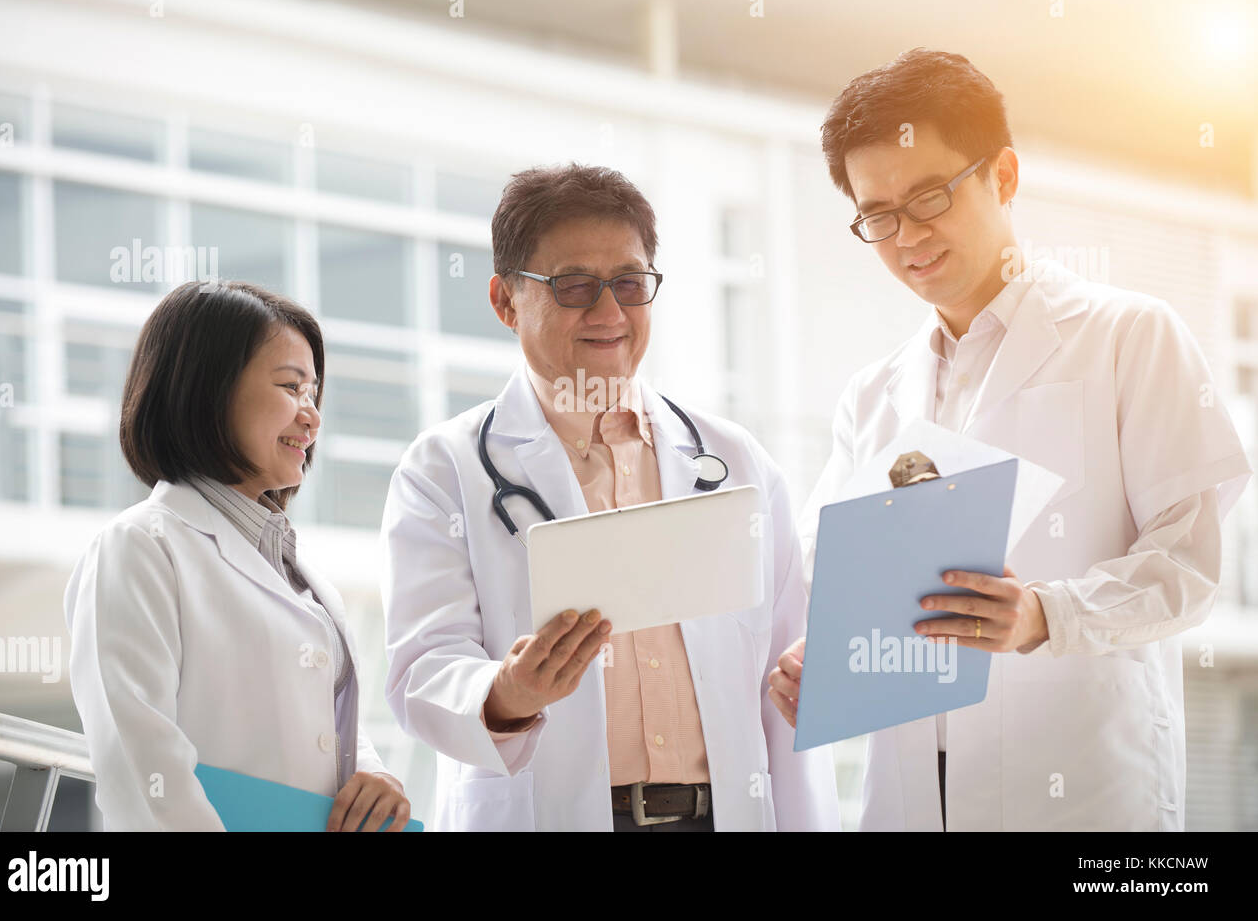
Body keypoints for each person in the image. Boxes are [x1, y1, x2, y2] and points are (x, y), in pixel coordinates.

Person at [769, 49, 1252, 831]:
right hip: (909, 801)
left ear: (1004, 176)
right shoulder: (873, 394)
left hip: (1084, 793)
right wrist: (819, 658)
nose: (907, 237)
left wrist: (1043, 615)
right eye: (879, 216)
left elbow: (1187, 567)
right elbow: (834, 574)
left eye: (929, 196)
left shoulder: (1128, 336)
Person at [380, 163, 839, 831]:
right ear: (505, 301)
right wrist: (507, 693)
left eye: (629, 284)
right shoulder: (444, 469)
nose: (609, 312)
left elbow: (790, 667)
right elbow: (421, 670)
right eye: (574, 287)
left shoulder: (734, 460)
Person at [64, 280, 412, 831]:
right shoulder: (140, 548)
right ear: (209, 389)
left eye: (313, 392)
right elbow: (141, 766)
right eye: (291, 387)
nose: (312, 415)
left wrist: (370, 775)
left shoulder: (294, 567)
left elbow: (317, 728)